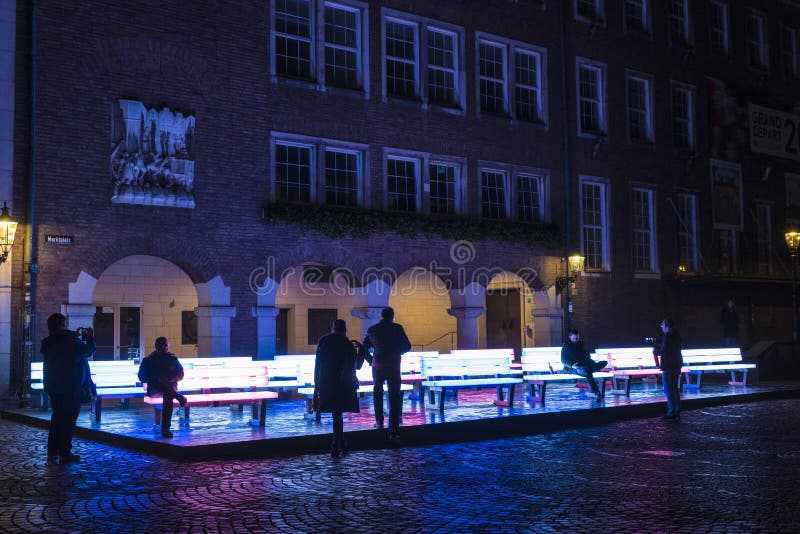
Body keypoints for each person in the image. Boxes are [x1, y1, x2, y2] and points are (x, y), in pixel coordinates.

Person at [40, 313, 96, 465]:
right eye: (64, 324)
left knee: (57, 419)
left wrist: (72, 335)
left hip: (54, 386)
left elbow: (63, 344)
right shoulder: (69, 342)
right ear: (61, 325)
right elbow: (88, 350)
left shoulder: (48, 342)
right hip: (70, 386)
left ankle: (52, 452)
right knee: (69, 420)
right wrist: (90, 337)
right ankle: (65, 452)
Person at [360, 307, 411, 445]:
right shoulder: (397, 328)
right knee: (394, 396)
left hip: (378, 365)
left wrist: (371, 360)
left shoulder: (372, 329)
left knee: (377, 391)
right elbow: (407, 346)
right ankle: (393, 432)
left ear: (381, 316)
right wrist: (396, 351)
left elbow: (363, 348)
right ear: (392, 316)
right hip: (393, 365)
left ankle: (379, 421)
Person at [314, 319, 363, 458]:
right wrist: (361, 349)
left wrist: (316, 385)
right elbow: (357, 366)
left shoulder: (324, 341)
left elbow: (318, 364)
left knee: (336, 415)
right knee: (338, 414)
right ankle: (338, 443)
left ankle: (338, 443)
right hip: (343, 383)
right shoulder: (347, 343)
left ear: (332, 328)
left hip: (326, 382)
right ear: (344, 329)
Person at [138, 337, 187, 438]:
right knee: (157, 381)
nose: (164, 347)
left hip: (169, 389)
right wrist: (155, 378)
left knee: (168, 395)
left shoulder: (172, 359)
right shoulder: (148, 360)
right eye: (161, 345)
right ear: (156, 347)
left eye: (165, 345)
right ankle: (178, 396)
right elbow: (142, 377)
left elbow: (180, 375)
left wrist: (169, 378)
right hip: (155, 390)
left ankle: (165, 429)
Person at [561, 329, 607, 402]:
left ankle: (594, 367)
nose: (575, 340)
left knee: (601, 363)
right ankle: (596, 392)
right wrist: (572, 365)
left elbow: (587, 356)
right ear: (570, 337)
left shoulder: (581, 345)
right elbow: (563, 360)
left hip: (584, 364)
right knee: (587, 370)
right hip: (573, 367)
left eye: (577, 338)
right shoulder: (566, 346)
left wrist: (588, 360)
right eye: (574, 338)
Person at [653, 317, 683, 421]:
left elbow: (663, 351)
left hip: (668, 366)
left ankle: (671, 412)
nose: (661, 327)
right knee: (674, 390)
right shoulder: (676, 334)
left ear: (666, 326)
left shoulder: (668, 336)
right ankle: (676, 411)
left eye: (662, 325)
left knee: (669, 390)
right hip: (676, 365)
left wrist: (655, 348)